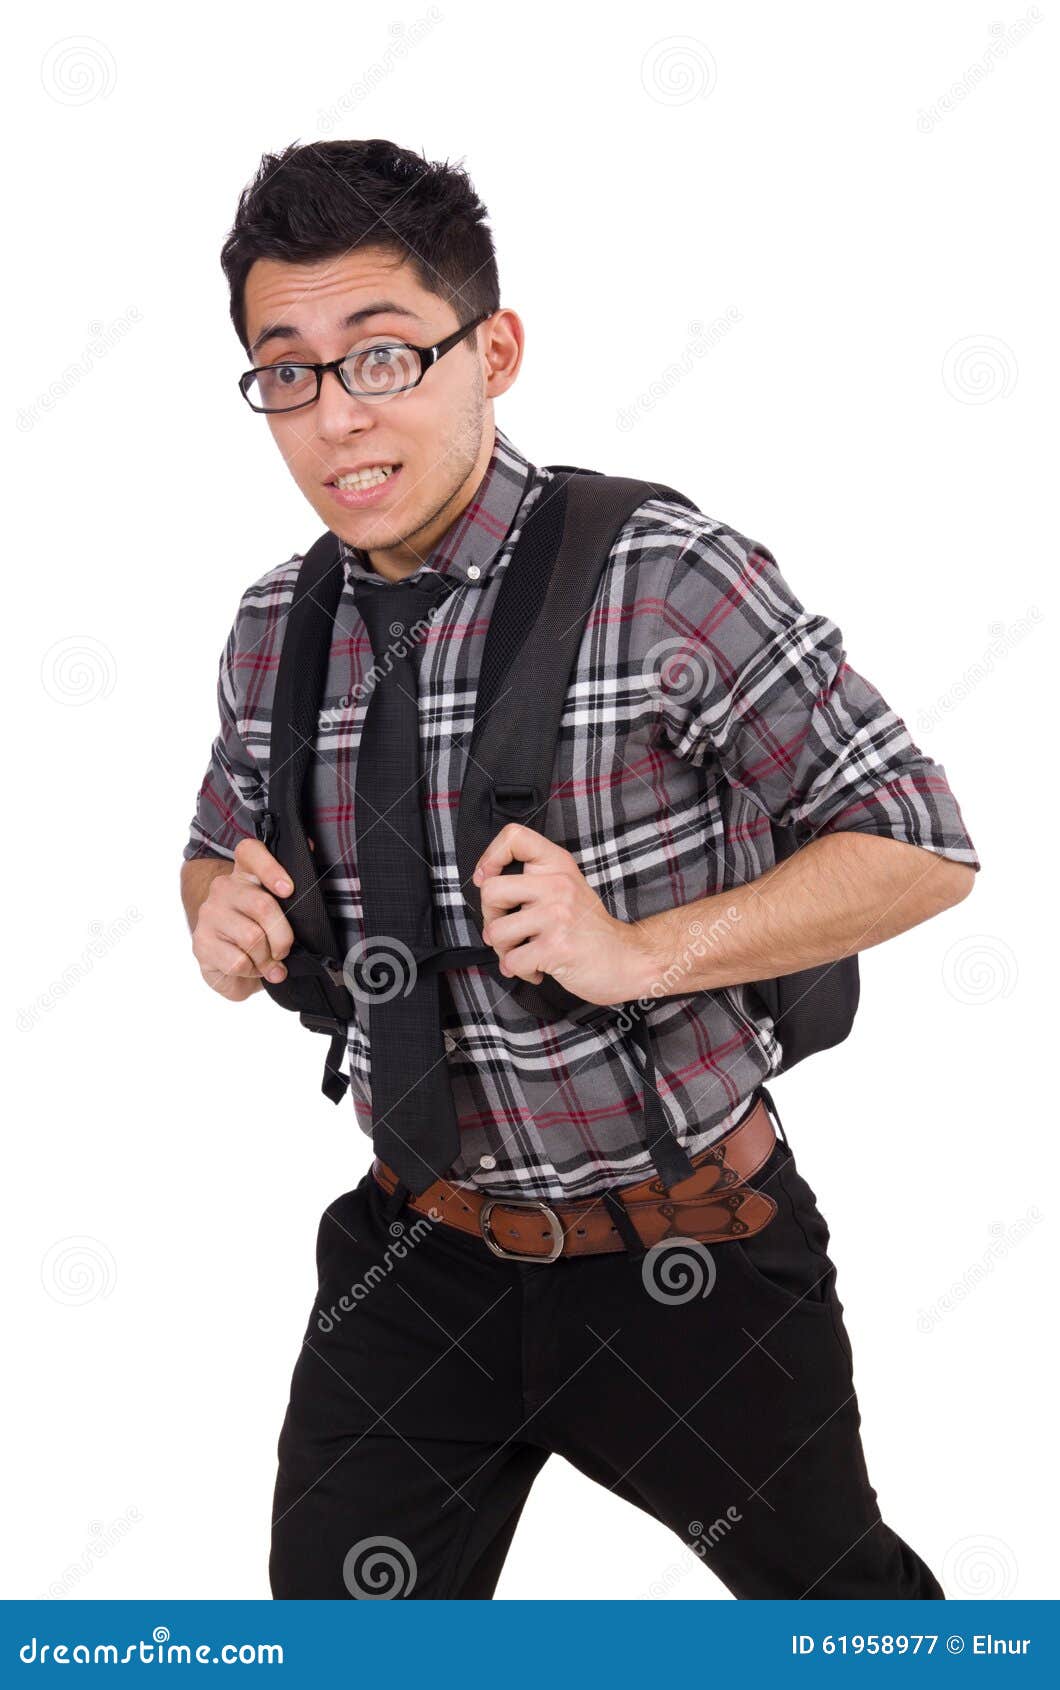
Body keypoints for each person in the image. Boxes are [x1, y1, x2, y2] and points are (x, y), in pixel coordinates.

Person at [180, 139, 980, 1600]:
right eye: (284, 370)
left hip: (692, 1249)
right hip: (414, 1257)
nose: (334, 415)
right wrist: (214, 921)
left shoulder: (661, 571)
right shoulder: (274, 624)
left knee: (847, 1625)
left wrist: (639, 949)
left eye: (382, 356)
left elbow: (919, 839)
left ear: (494, 349)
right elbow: (211, 845)